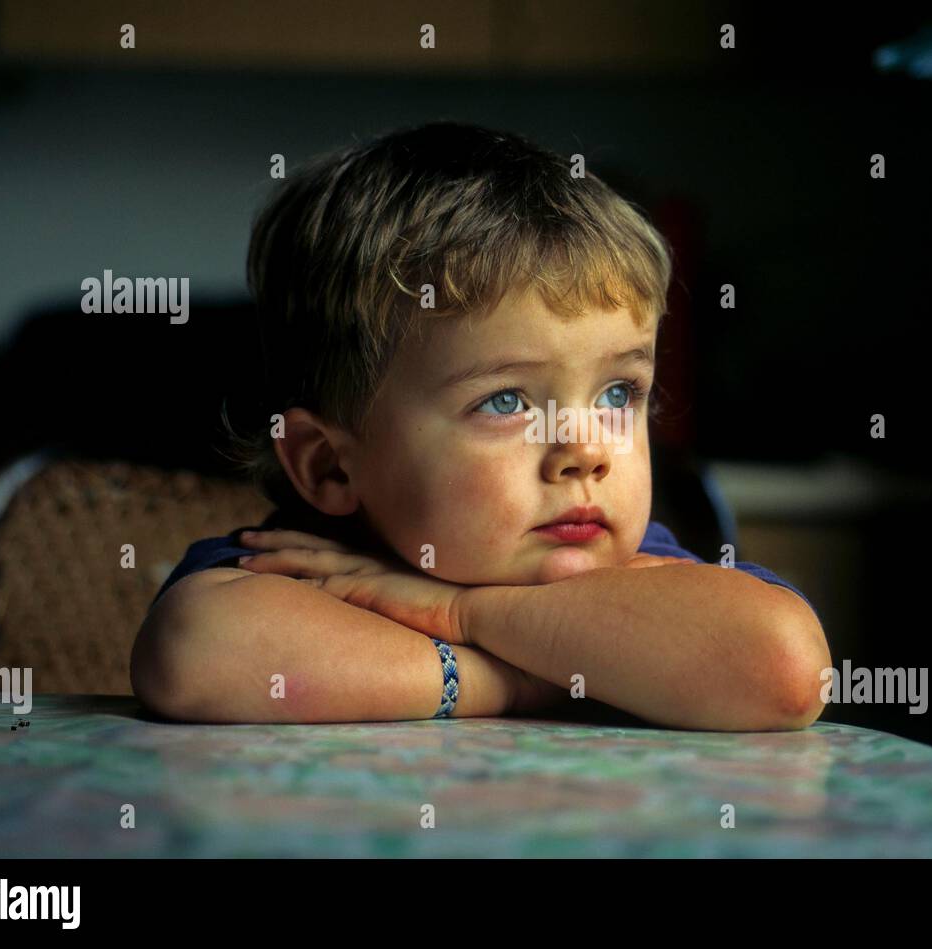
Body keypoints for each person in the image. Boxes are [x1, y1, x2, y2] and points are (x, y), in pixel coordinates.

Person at [130, 121, 830, 731]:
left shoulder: (640, 565)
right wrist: (523, 678)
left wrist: (460, 612)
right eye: (506, 402)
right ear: (329, 466)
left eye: (619, 391)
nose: (584, 450)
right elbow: (195, 654)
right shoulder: (305, 565)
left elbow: (788, 667)